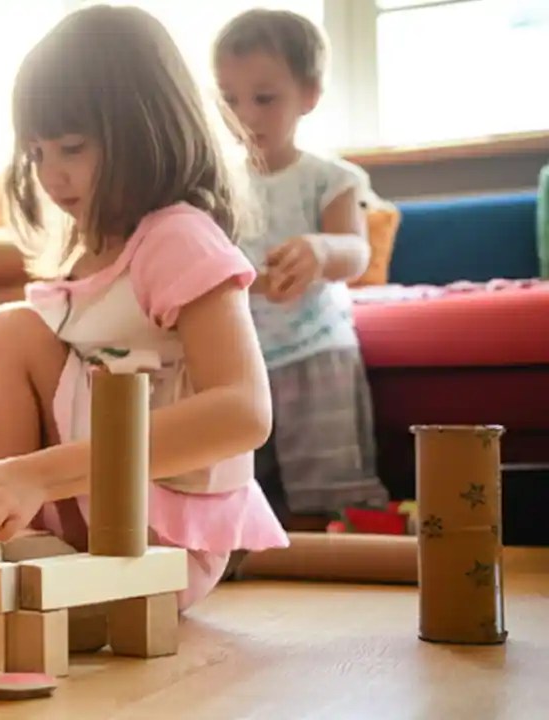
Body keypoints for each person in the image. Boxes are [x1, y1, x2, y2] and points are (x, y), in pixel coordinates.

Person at [0, 5, 288, 612]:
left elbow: (245, 412)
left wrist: (34, 474)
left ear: (144, 129)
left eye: (71, 147)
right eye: (36, 153)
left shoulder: (178, 236)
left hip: (159, 538)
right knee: (7, 335)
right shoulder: (91, 255)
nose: (52, 176)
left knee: (9, 332)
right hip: (102, 516)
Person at [214, 9, 389, 527]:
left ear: (308, 95)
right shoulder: (215, 186)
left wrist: (319, 251)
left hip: (316, 351)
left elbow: (355, 253)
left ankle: (344, 545)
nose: (246, 115)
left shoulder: (330, 177)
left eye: (264, 98)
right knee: (239, 482)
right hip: (239, 360)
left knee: (331, 484)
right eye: (229, 99)